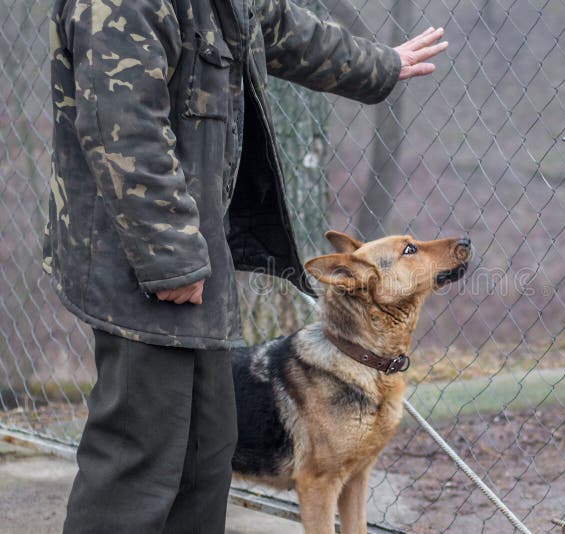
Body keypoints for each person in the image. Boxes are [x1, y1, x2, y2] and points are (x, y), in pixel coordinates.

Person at [43, 0, 447, 532]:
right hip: (141, 261)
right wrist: (171, 257)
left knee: (206, 456)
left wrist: (381, 65)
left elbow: (277, 24)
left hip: (198, 253)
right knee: (141, 461)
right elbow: (123, 127)